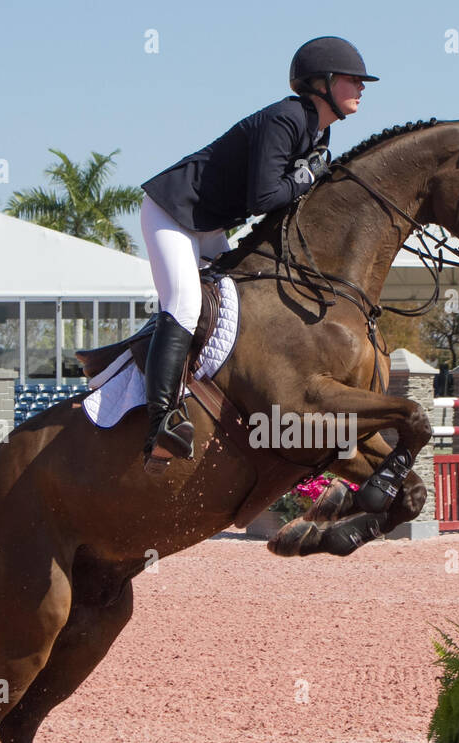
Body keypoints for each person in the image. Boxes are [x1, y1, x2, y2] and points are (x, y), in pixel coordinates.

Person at [137, 36, 377, 469]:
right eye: (352, 79)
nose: (361, 87)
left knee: (240, 306)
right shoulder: (286, 118)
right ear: (322, 82)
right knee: (185, 305)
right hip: (172, 212)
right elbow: (264, 197)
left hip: (208, 224)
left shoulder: (319, 133)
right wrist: (306, 178)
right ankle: (161, 425)